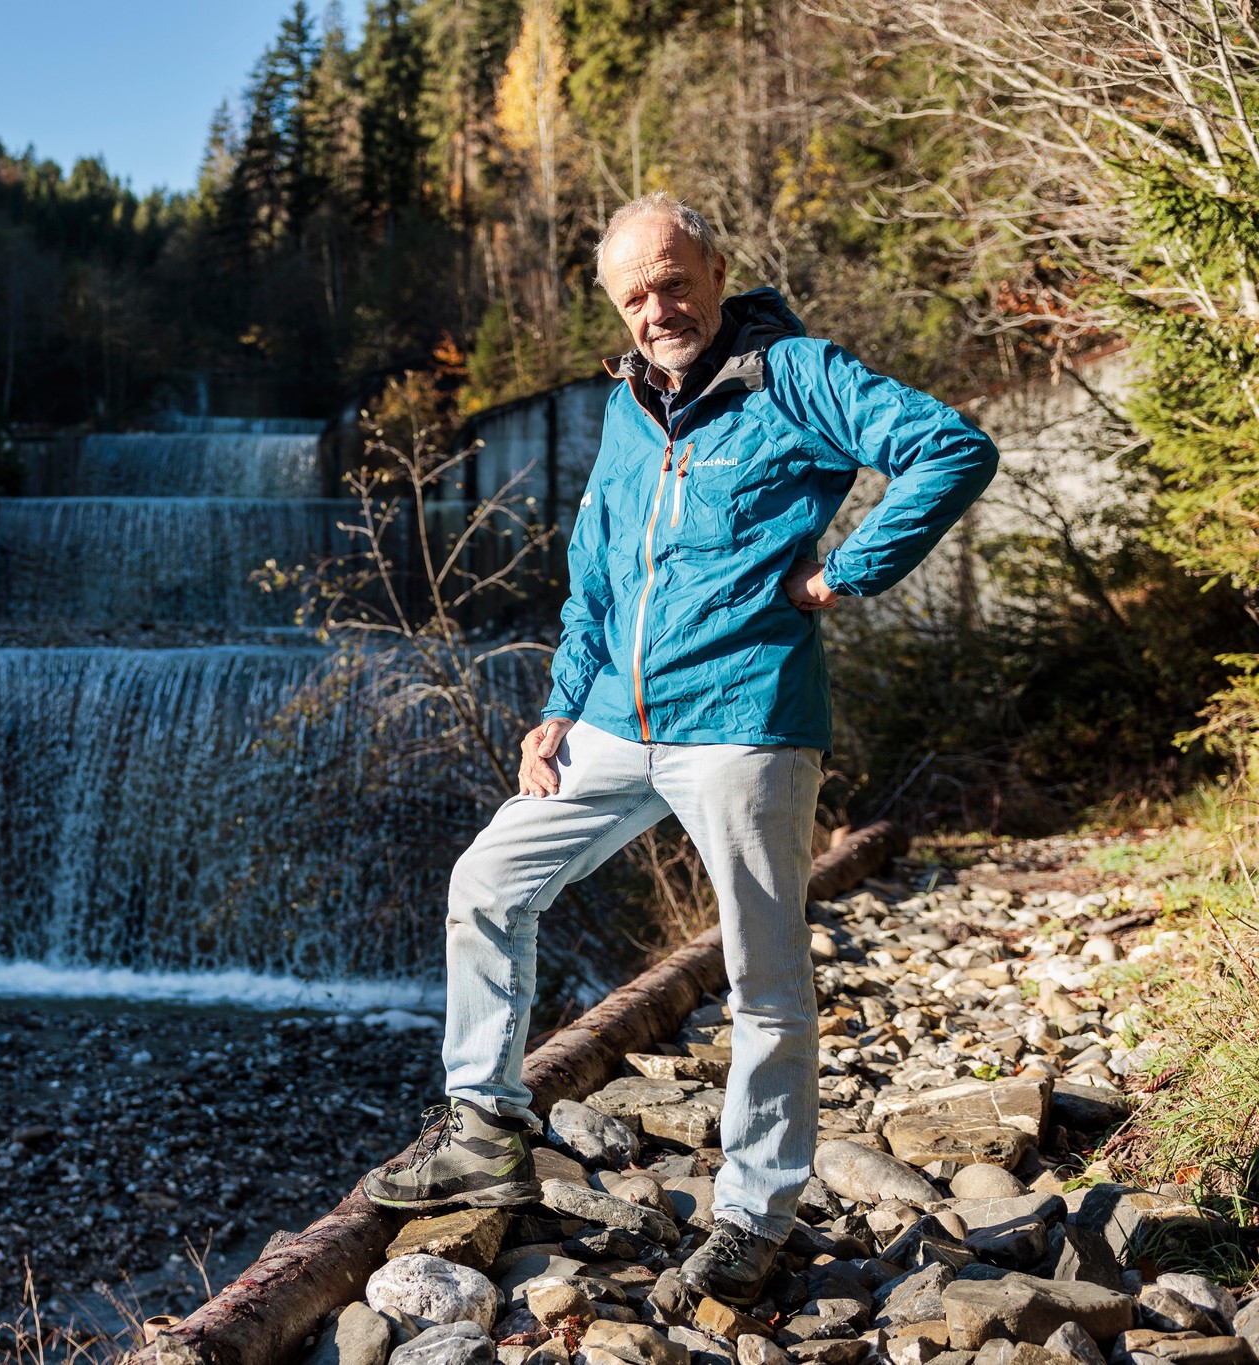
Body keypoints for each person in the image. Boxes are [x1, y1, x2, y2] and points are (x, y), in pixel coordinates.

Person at [361, 193, 998, 1307]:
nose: (657, 309)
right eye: (633, 295)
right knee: (486, 884)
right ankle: (483, 1123)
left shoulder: (793, 373)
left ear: (713, 269)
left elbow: (950, 448)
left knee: (762, 978)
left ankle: (752, 1216)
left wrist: (841, 575)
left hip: (744, 721)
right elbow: (597, 566)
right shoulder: (627, 406)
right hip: (612, 722)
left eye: (672, 281)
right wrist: (561, 702)